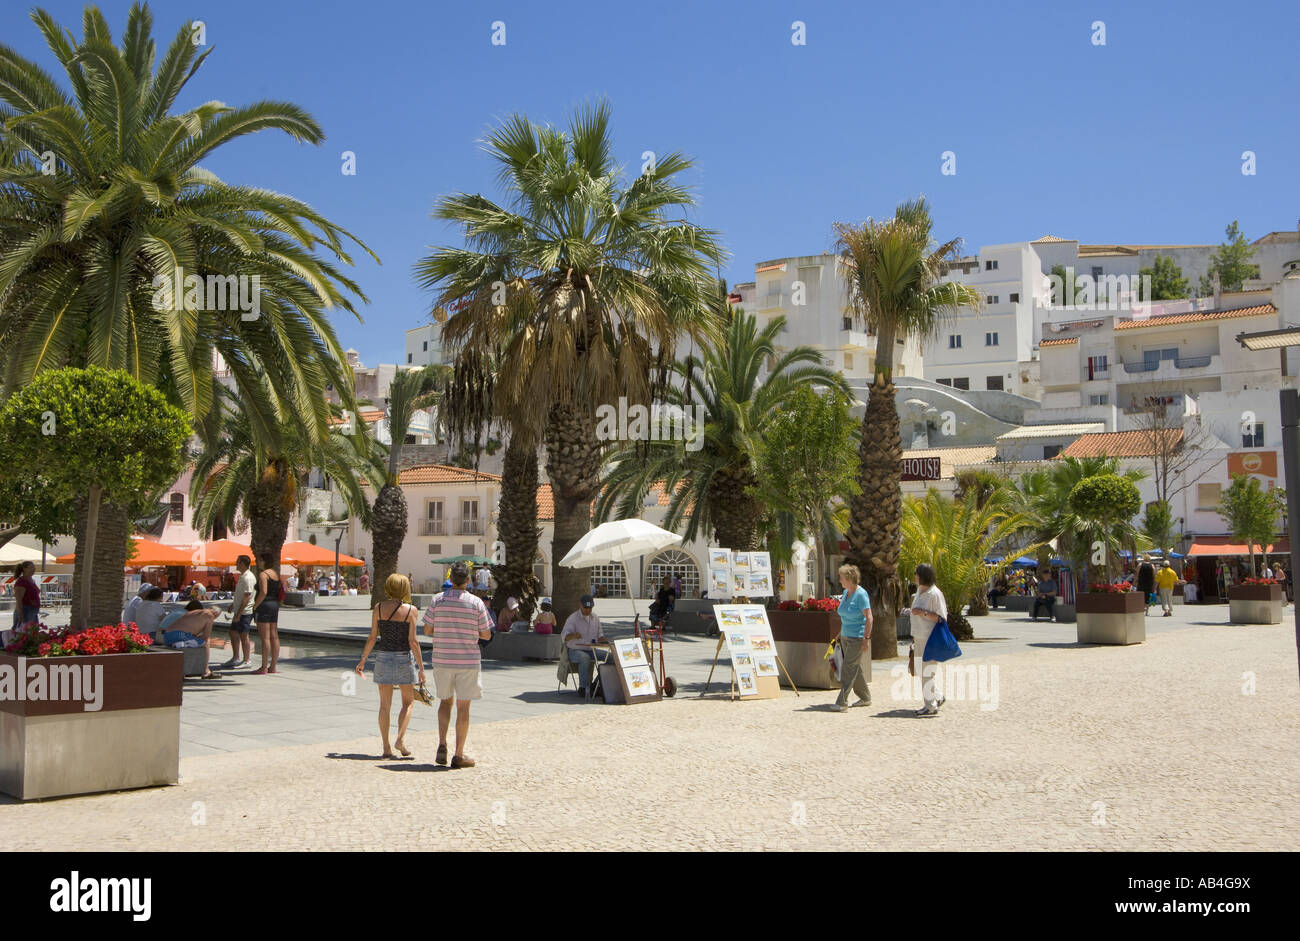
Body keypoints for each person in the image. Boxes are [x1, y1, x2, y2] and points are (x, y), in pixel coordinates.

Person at [422, 562, 492, 768]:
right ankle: (459, 754)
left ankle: (442, 744)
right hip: (467, 661)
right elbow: (486, 633)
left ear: (450, 579)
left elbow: (427, 630)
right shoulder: (476, 603)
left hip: (442, 659)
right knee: (463, 707)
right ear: (469, 580)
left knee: (445, 702)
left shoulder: (437, 601)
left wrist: (445, 631)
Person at [356, 574, 424, 759]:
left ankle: (386, 747)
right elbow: (413, 642)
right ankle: (400, 739)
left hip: (383, 657)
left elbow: (372, 637)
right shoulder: (411, 610)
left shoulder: (378, 608)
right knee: (408, 703)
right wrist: (421, 669)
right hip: (403, 658)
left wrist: (363, 660)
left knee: (384, 705)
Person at [903, 563, 948, 717]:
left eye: (917, 574)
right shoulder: (919, 591)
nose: (915, 577)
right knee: (922, 670)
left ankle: (930, 705)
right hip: (919, 636)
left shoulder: (935, 594)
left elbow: (940, 617)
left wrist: (921, 612)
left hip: (930, 637)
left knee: (927, 671)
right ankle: (938, 696)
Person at [832, 564, 873, 712]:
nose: (840, 580)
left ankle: (842, 701)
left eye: (842, 577)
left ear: (849, 579)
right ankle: (865, 697)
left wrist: (866, 638)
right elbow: (845, 616)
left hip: (857, 637)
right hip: (845, 636)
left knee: (849, 668)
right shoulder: (845, 592)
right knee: (855, 667)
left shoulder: (861, 594)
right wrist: (839, 634)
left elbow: (869, 618)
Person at [562, 594, 608, 702]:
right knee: (584, 657)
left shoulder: (595, 618)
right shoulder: (573, 618)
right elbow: (564, 636)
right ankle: (583, 688)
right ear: (580, 606)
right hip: (574, 650)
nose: (588, 610)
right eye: (585, 608)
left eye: (590, 608)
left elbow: (600, 634)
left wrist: (602, 639)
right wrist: (573, 635)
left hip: (591, 649)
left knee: (612, 657)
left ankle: (596, 684)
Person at [163, 600, 221, 679]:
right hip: (179, 635)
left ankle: (183, 647)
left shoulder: (196, 612)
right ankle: (206, 670)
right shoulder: (210, 615)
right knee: (206, 643)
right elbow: (206, 637)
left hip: (167, 636)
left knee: (195, 641)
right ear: (216, 614)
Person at [220, 554, 256, 669]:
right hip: (239, 610)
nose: (236, 563)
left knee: (244, 635)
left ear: (242, 563)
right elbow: (240, 595)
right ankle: (236, 658)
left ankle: (247, 660)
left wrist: (239, 614)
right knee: (233, 632)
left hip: (245, 612)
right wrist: (233, 605)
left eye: (237, 561)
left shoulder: (248, 577)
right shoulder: (242, 576)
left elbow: (247, 597)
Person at [250, 552, 282, 674]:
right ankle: (273, 666)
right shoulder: (275, 574)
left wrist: (255, 606)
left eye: (260, 560)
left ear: (264, 561)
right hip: (274, 605)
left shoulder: (263, 575)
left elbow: (263, 591)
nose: (258, 562)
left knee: (265, 638)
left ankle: (263, 667)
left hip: (264, 605)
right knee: (274, 636)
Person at [11, 562, 41, 629]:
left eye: (34, 568)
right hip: (25, 610)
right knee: (22, 633)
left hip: (33, 610)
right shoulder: (21, 582)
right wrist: (20, 615)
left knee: (33, 633)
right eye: (31, 568)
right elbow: (19, 600)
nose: (33, 570)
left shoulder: (31, 580)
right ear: (24, 569)